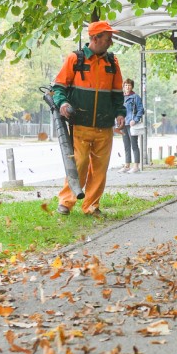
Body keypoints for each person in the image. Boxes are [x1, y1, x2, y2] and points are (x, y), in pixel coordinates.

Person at [51, 20, 125, 216]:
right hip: (80, 124)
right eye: (108, 38)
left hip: (104, 125)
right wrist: (63, 104)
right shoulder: (75, 59)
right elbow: (58, 88)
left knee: (99, 169)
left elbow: (117, 93)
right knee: (79, 163)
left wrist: (120, 113)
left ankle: (92, 206)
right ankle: (66, 202)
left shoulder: (112, 62)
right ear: (95, 38)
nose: (111, 42)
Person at [120, 78, 145, 173]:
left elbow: (141, 110)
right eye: (126, 85)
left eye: (129, 85)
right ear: (123, 86)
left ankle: (136, 166)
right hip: (123, 124)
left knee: (134, 145)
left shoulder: (135, 97)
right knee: (126, 145)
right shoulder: (121, 97)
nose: (127, 87)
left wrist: (135, 120)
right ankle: (127, 165)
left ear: (132, 86)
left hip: (132, 124)